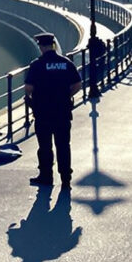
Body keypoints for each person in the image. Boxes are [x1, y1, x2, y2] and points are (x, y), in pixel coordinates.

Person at [25, 33, 79, 187]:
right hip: (62, 111)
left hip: (43, 112)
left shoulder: (37, 65)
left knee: (45, 146)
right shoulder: (66, 63)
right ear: (54, 45)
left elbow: (29, 87)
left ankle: (46, 176)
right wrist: (64, 96)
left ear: (41, 46)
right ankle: (66, 178)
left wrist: (32, 97)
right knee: (63, 145)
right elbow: (77, 85)